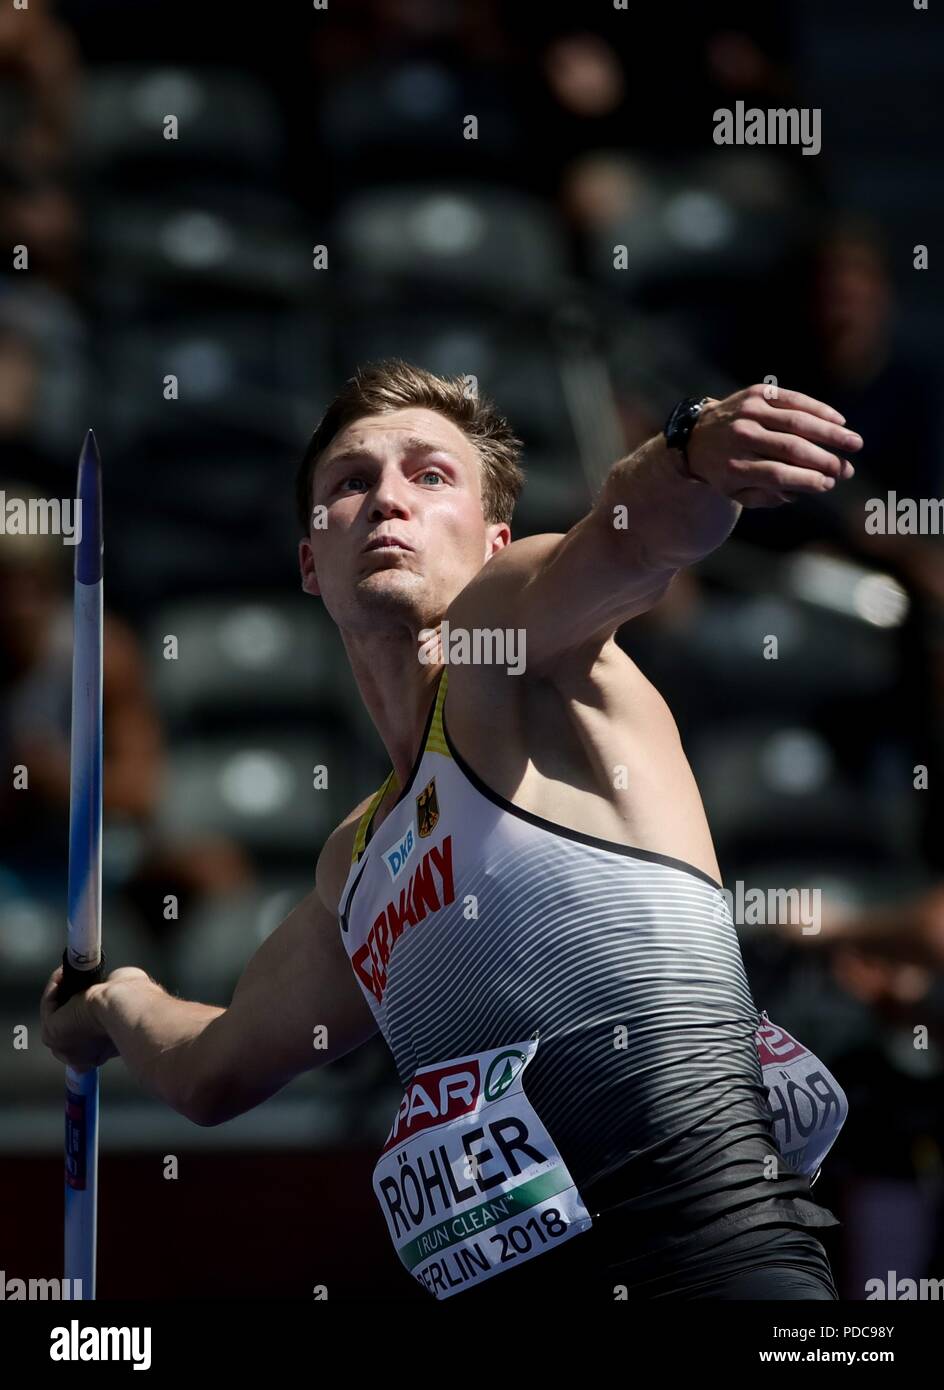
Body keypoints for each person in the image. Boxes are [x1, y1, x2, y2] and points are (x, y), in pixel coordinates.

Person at [41, 361, 863, 1300]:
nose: (388, 498)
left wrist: (692, 449)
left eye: (430, 476)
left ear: (493, 537)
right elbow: (214, 1072)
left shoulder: (510, 642)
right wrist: (108, 1007)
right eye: (350, 484)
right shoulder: (355, 864)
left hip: (718, 1282)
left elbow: (631, 540)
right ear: (310, 559)